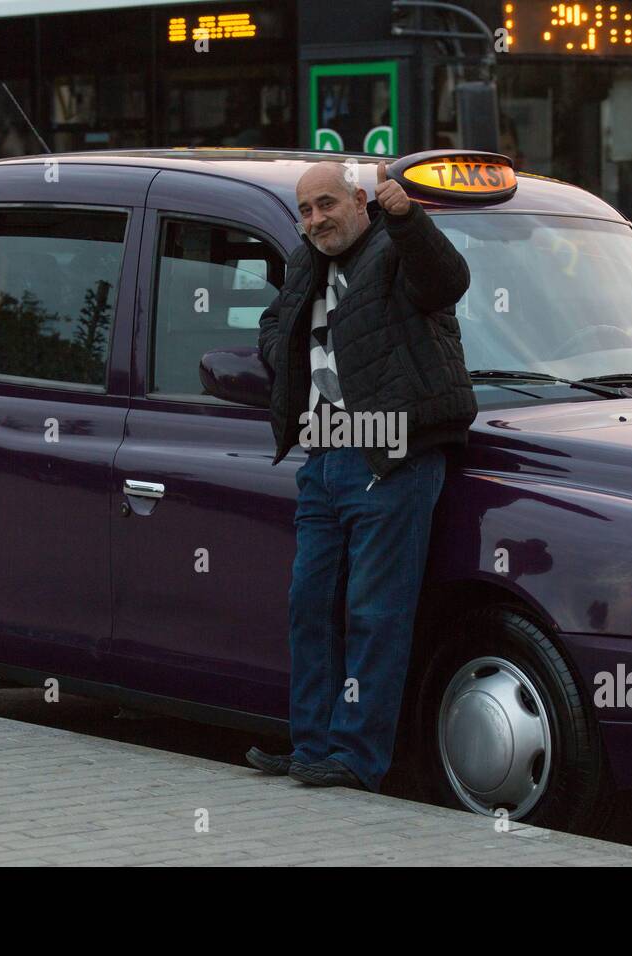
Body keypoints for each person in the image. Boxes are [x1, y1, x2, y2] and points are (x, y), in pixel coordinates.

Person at [248, 160, 477, 792]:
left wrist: (408, 215)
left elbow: (447, 280)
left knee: (375, 612)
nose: (316, 220)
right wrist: (284, 359)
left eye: (327, 204)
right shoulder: (306, 262)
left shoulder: (397, 248)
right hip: (325, 458)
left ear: (359, 202)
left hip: (392, 457)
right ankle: (312, 748)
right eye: (305, 211)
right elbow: (274, 323)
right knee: (310, 606)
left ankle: (356, 758)